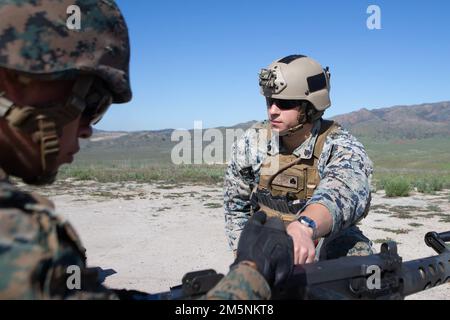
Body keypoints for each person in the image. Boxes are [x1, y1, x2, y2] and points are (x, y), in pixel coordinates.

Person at [0, 0, 293, 300]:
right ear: (14, 78)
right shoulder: (17, 235)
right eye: (90, 101)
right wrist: (251, 274)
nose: (88, 129)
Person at [224, 54, 374, 265]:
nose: (272, 110)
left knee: (360, 262)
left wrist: (305, 227)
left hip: (323, 242)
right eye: (270, 100)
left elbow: (346, 189)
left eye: (285, 103)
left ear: (310, 107)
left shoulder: (338, 145)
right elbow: (235, 205)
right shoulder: (252, 142)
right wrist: (245, 255)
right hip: (269, 240)